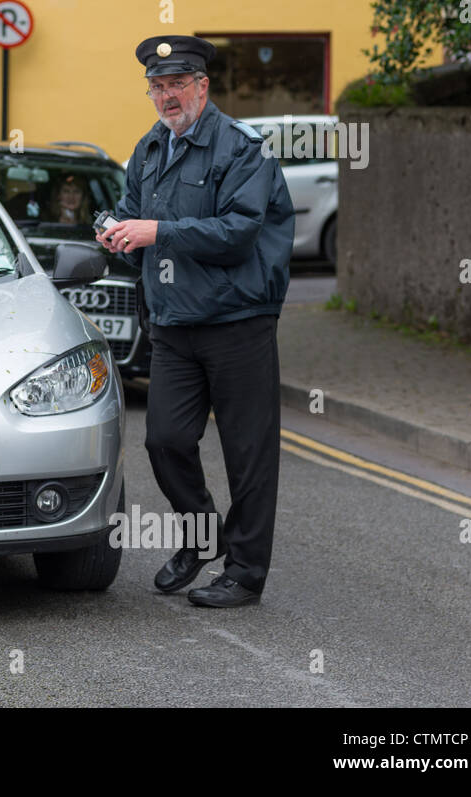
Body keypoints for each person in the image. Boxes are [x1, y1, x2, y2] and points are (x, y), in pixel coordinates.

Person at [97, 35, 294, 608]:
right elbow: (133, 219)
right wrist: (117, 233)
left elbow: (238, 233)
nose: (165, 97)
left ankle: (246, 573)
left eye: (175, 85)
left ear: (202, 86)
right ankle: (201, 533)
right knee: (164, 440)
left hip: (238, 320)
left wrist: (155, 231)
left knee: (248, 454)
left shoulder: (242, 149)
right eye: (156, 87)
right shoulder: (149, 149)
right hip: (175, 323)